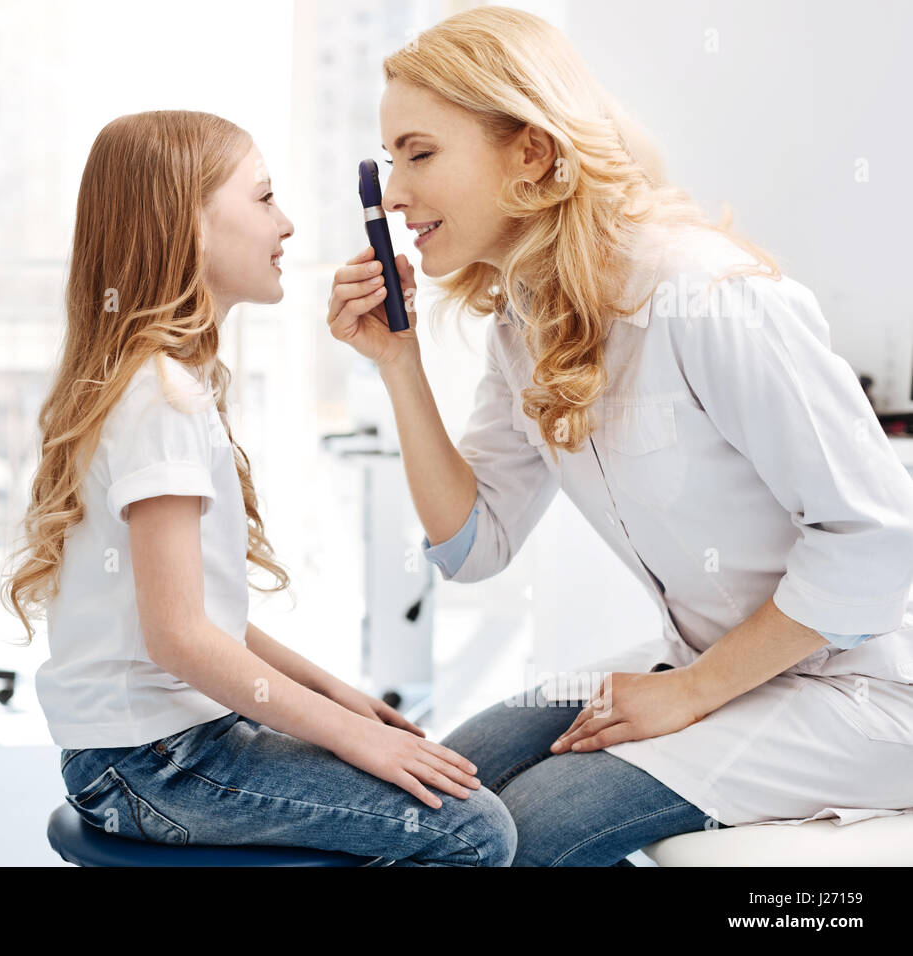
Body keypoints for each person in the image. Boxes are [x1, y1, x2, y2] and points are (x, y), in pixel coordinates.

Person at [325, 5, 913, 866]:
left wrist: (697, 694)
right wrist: (398, 364)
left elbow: (878, 541)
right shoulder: (527, 321)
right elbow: (471, 547)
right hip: (714, 661)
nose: (395, 194)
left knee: (524, 834)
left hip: (866, 690)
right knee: (448, 781)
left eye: (420, 154)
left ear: (529, 152)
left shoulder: (704, 295)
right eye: (390, 161)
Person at [2, 109, 517, 866]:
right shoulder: (160, 400)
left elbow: (206, 622)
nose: (288, 224)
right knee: (474, 831)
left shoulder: (159, 384)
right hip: (156, 765)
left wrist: (342, 699)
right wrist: (352, 739)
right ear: (190, 226)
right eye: (265, 199)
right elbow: (179, 638)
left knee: (453, 784)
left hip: (156, 749)